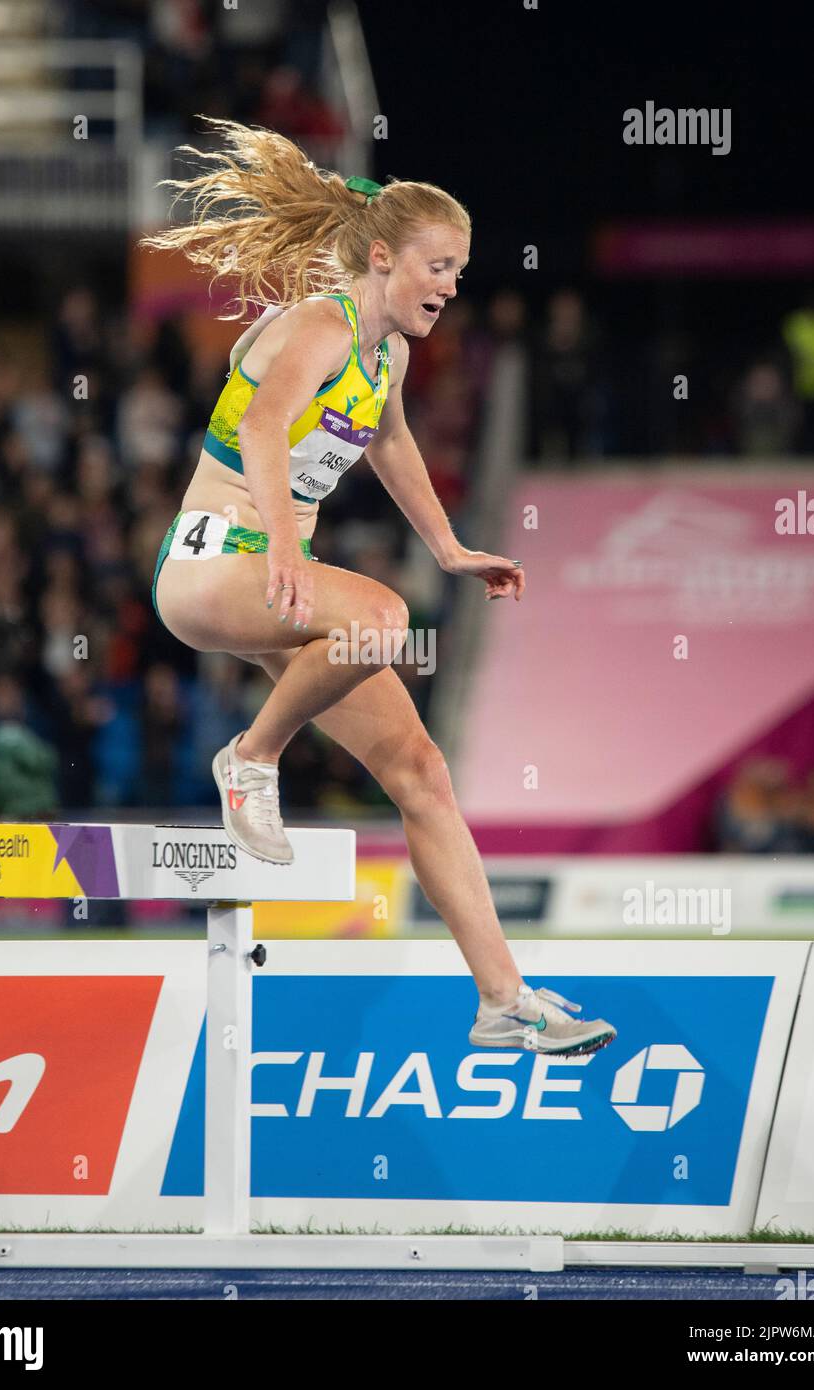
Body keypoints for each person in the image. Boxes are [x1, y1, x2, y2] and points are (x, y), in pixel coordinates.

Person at [141, 118, 615, 1056]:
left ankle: (502, 1000)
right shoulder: (323, 322)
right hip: (207, 566)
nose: (451, 286)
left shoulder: (386, 353)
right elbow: (270, 429)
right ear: (385, 257)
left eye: (461, 272)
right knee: (382, 617)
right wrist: (284, 543)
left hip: (275, 580)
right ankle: (252, 758)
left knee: (422, 773)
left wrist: (448, 547)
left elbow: (389, 441)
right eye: (439, 267)